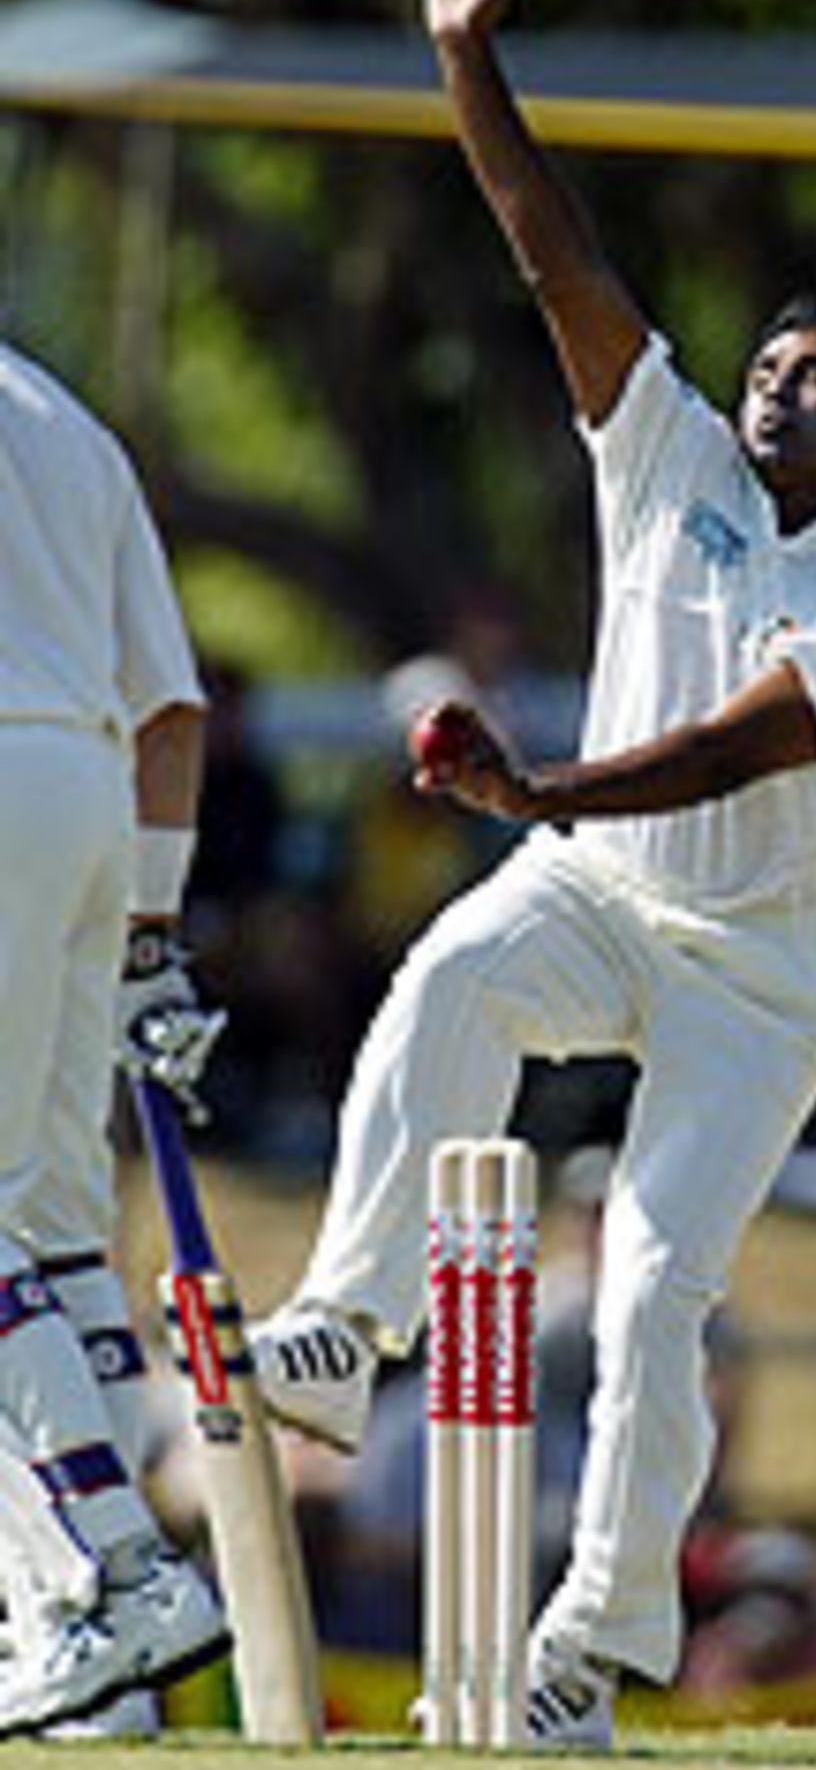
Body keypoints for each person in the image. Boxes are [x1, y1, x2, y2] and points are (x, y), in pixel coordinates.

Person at [250, 0, 816, 1751]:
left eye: (814, 380)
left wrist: (535, 787)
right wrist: (465, 57)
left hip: (752, 978)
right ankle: (343, 1318)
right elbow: (549, 255)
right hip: (598, 889)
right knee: (453, 971)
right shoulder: (666, 461)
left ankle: (590, 1645)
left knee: (645, 1293)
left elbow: (734, 749)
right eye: (765, 366)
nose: (772, 385)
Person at [0, 337, 228, 1734]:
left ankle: (111, 1573)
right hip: (87, 800)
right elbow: (174, 708)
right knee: (48, 1222)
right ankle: (93, 1678)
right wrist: (148, 934)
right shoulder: (63, 415)